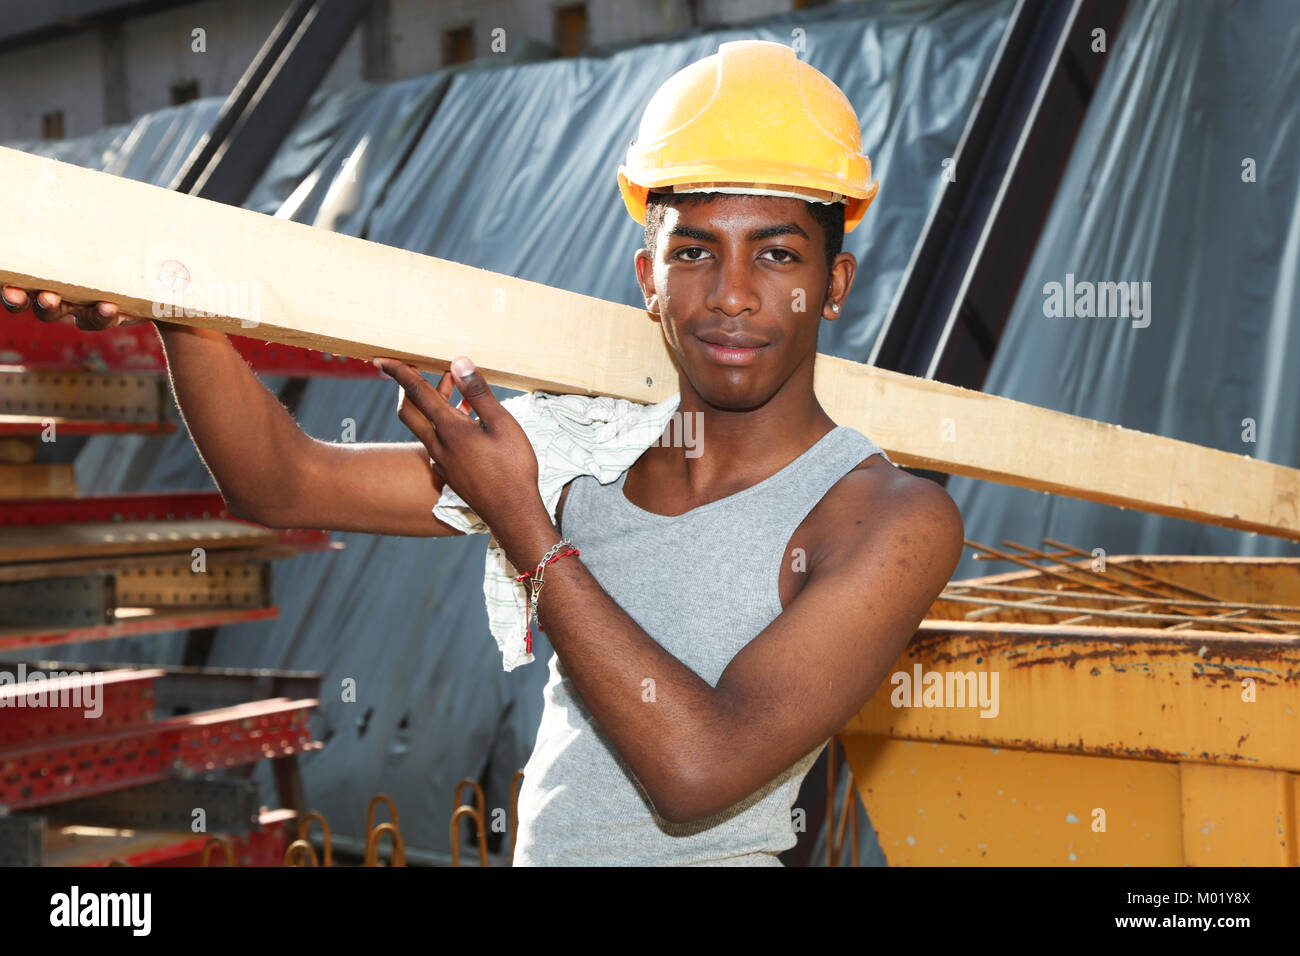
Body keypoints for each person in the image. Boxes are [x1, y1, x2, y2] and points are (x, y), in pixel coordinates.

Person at [2, 40, 962, 865]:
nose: (733, 295)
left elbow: (698, 772)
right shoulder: (585, 451)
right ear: (649, 279)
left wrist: (523, 525)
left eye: (778, 254)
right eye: (695, 251)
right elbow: (280, 480)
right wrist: (171, 303)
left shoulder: (886, 516)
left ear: (833, 284)